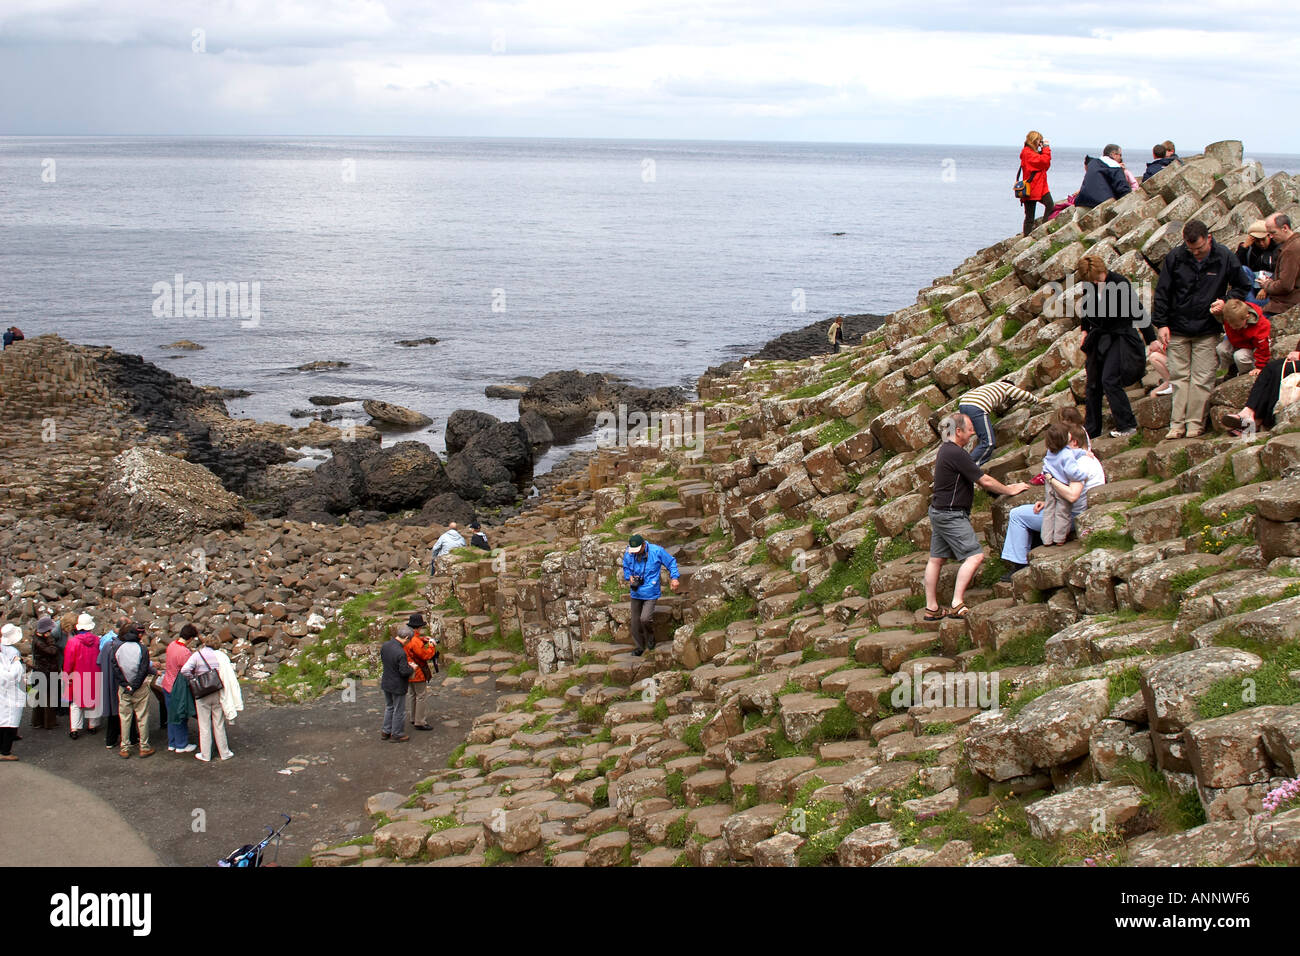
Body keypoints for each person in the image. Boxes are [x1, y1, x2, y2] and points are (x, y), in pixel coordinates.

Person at [923, 414, 1031, 620]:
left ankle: (932, 608)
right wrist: (1009, 489)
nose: (973, 432)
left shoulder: (945, 450)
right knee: (975, 556)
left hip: (938, 510)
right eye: (970, 428)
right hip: (951, 514)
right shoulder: (956, 453)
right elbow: (985, 481)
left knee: (936, 559)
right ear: (958, 431)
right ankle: (957, 603)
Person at [1152, 220, 1250, 439]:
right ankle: (1176, 426)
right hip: (1177, 327)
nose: (1196, 253)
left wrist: (1226, 301)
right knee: (1179, 378)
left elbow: (1243, 286)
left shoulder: (1224, 256)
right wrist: (1162, 324)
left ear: (1209, 239)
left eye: (1200, 248)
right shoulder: (1175, 257)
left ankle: (1194, 424)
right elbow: (1162, 292)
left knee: (1202, 379)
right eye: (1191, 249)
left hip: (1207, 329)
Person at [1001, 424, 1104, 578]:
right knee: (1037, 510)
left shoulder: (1077, 464)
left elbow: (1072, 495)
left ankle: (1019, 565)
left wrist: (1051, 479)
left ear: (1073, 442)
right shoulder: (1085, 458)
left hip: (1072, 514)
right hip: (1076, 509)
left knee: (1017, 514)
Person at [1075, 255, 1148, 438]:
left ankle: (1127, 425)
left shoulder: (1119, 283)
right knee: (1093, 384)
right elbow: (1086, 310)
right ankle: (1091, 430)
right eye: (1091, 280)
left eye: (1097, 279)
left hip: (1120, 336)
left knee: (1110, 379)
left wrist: (1152, 339)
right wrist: (1084, 331)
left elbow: (1138, 311)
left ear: (1103, 271)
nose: (1095, 282)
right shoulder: (1090, 285)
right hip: (1098, 337)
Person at [622, 534, 680, 656]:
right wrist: (629, 576)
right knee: (635, 622)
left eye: (638, 550)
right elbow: (626, 567)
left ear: (643, 545)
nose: (635, 553)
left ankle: (650, 638)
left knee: (645, 619)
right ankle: (639, 647)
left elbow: (671, 562)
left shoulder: (656, 551)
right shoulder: (629, 552)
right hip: (636, 591)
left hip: (651, 591)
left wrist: (674, 578)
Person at [956, 379, 1035, 467]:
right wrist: (1037, 400)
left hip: (963, 404)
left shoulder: (989, 386)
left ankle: (963, 463)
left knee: (979, 435)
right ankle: (969, 467)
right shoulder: (1006, 386)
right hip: (977, 406)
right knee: (988, 442)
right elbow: (1022, 394)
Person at [179, 637, 234, 761]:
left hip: (202, 692)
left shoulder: (197, 655)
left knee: (204, 725)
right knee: (219, 723)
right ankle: (224, 753)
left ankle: (206, 754)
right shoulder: (220, 656)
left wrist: (193, 678)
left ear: (204, 644)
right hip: (216, 690)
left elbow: (184, 670)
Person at [112, 624, 157, 758]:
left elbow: (115, 668)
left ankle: (124, 747)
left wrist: (126, 685)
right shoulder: (142, 648)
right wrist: (135, 685)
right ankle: (144, 746)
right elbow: (143, 669)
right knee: (142, 717)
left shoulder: (117, 647)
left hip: (124, 687)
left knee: (125, 718)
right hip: (140, 687)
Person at [62, 613, 101, 739]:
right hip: (94, 673)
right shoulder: (97, 640)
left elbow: (68, 661)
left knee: (75, 702)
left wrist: (66, 674)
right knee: (92, 699)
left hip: (77, 674)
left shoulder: (72, 642)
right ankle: (92, 725)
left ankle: (75, 728)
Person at [160, 625, 196, 753]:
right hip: (178, 688)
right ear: (190, 638)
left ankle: (173, 742)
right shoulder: (184, 652)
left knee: (171, 715)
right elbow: (189, 670)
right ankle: (181, 744)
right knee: (181, 715)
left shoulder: (171, 646)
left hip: (167, 684)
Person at [1258, 214, 1300, 317]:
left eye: (1273, 232)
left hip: (1284, 305)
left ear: (1285, 228)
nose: (1271, 237)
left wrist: (1266, 284)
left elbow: (1285, 286)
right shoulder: (1295, 243)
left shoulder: (1290, 250)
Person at [1217, 299, 1271, 378]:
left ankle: (1244, 375)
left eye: (1237, 326)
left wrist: (1260, 366)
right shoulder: (1231, 315)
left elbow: (1263, 348)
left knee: (1240, 356)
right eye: (1230, 325)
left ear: (1247, 317)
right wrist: (1217, 312)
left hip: (1252, 347)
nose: (1233, 327)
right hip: (1236, 341)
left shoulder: (1260, 326)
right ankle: (1225, 372)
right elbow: (1220, 317)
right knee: (1221, 349)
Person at [403, 615, 438, 731]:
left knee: (412, 694)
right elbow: (426, 655)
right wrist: (432, 646)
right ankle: (420, 721)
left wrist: (424, 639)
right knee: (421, 695)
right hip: (418, 671)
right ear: (418, 627)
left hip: (407, 669)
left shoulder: (406, 637)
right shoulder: (416, 641)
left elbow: (413, 644)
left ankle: (413, 717)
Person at [379, 628, 413, 742]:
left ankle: (386, 731)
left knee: (389, 707)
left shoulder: (386, 645)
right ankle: (397, 734)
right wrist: (412, 668)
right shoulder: (400, 652)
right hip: (397, 684)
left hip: (386, 681)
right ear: (407, 638)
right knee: (399, 710)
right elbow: (404, 672)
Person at [1018, 131, 1053, 236]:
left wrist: (1043, 151)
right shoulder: (1027, 153)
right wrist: (1046, 148)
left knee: (1050, 205)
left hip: (1039, 186)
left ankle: (1043, 229)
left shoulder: (1033, 153)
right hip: (1032, 187)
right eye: (1038, 140)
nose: (1040, 143)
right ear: (1034, 140)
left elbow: (1045, 165)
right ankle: (1028, 236)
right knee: (1030, 216)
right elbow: (1044, 162)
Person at [30, 617, 61, 730]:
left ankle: (37, 721)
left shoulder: (37, 639)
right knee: (48, 698)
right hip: (45, 672)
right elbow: (52, 651)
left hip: (40, 671)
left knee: (39, 698)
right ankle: (49, 722)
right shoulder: (40, 642)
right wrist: (52, 642)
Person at [0, 624, 26, 760]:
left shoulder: (2, 650)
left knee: (4, 719)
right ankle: (5, 752)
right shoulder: (13, 653)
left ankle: (3, 748)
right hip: (11, 690)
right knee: (11, 720)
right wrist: (17, 663)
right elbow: (12, 675)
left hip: (5, 691)